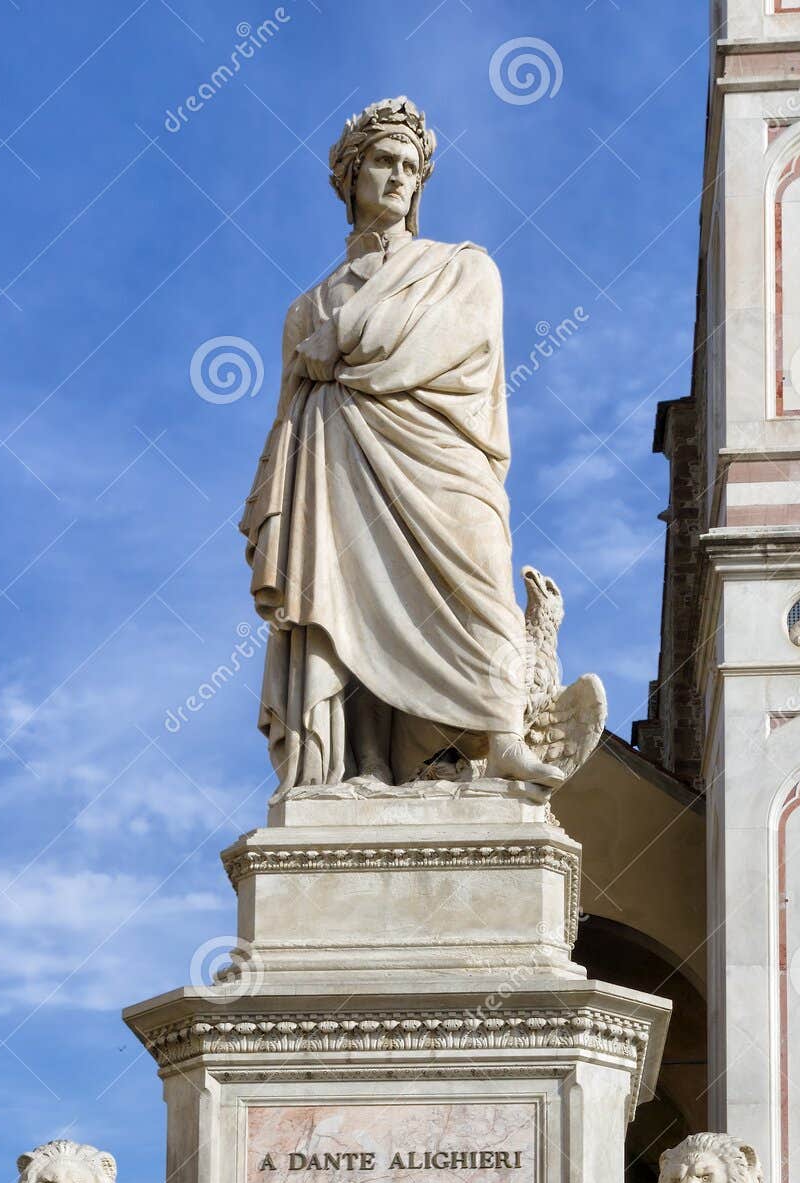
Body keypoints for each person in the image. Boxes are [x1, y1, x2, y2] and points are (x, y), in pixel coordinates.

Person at [240, 95, 563, 795]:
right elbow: (289, 415)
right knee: (344, 593)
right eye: (383, 162)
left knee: (481, 578)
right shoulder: (306, 308)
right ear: (350, 178)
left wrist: (345, 346)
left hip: (443, 459)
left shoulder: (463, 268)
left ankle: (500, 734)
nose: (397, 178)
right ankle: (362, 763)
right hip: (338, 460)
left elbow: (453, 345)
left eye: (411, 168)